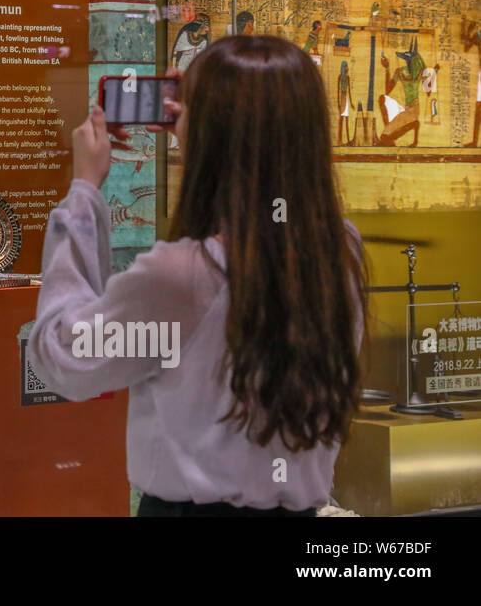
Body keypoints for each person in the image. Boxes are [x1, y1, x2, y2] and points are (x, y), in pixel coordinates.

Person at [27, 36, 367, 515]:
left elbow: (63, 358)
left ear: (213, 135)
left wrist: (83, 192)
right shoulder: (338, 252)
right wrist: (209, 110)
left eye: (187, 114)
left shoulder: (184, 278)